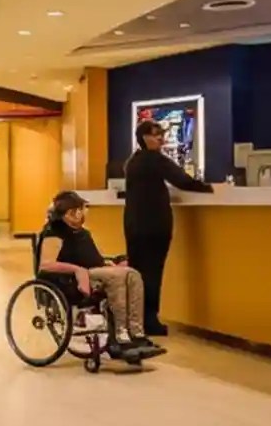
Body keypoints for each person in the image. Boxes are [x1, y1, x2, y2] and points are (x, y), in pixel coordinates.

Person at [37, 191, 165, 360]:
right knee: (116, 277)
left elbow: (93, 259)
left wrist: (111, 263)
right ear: (69, 213)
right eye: (80, 209)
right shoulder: (54, 233)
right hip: (69, 280)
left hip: (94, 272)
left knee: (132, 274)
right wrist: (77, 270)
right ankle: (120, 335)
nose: (84, 213)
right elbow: (46, 264)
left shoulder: (81, 233)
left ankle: (137, 332)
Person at [124, 120, 213, 337]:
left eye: (162, 135)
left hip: (133, 224)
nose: (161, 139)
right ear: (144, 138)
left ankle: (135, 319)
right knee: (153, 273)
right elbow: (183, 181)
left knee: (137, 273)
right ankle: (150, 321)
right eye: (156, 135)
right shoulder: (156, 160)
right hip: (154, 225)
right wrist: (211, 189)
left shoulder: (132, 162)